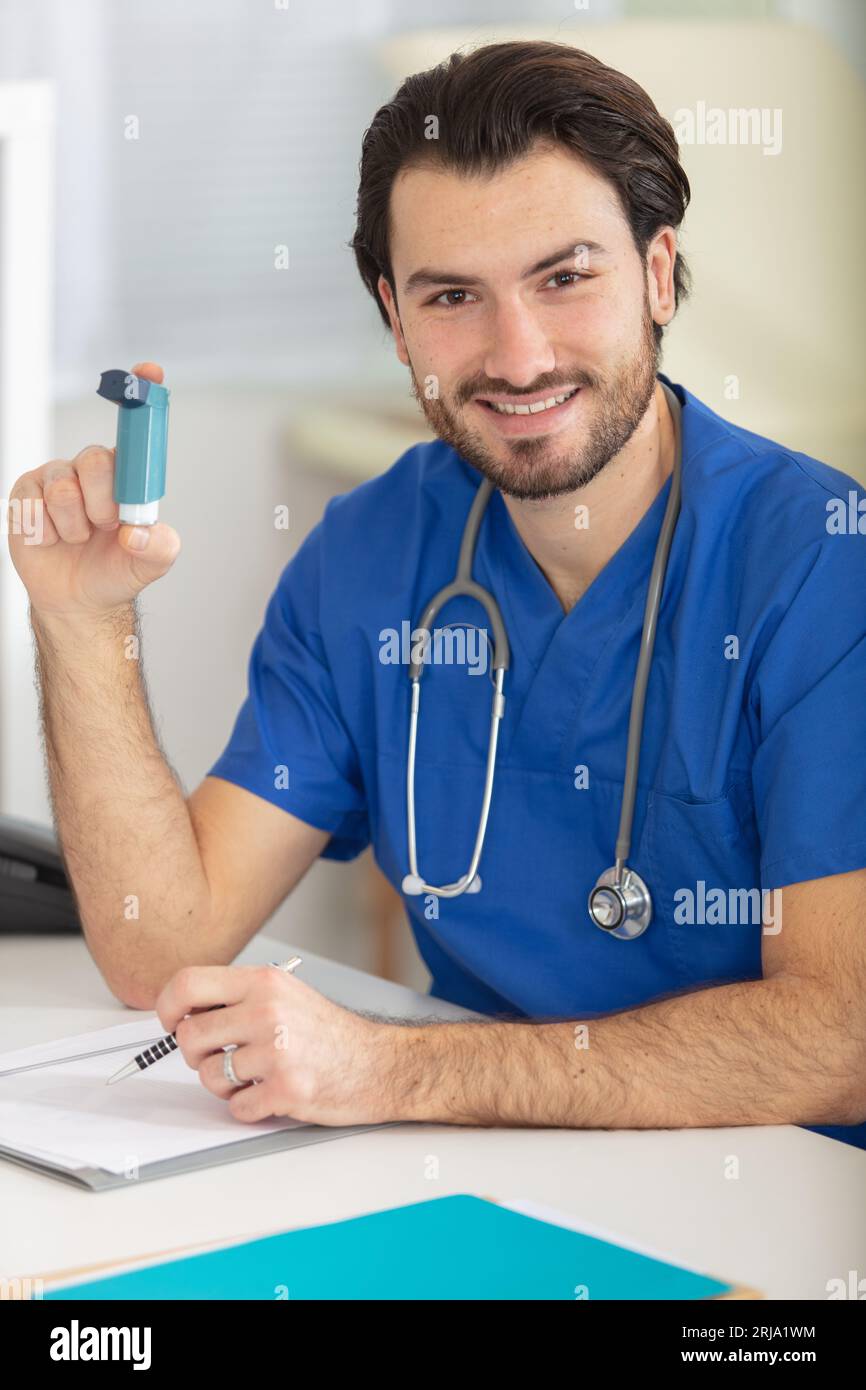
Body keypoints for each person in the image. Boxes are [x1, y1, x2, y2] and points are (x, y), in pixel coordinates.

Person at [8, 41, 866, 1148]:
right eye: (453, 296)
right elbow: (157, 947)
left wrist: (385, 1067)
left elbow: (841, 1039)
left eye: (564, 278)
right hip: (471, 1167)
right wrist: (82, 621)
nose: (518, 356)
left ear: (658, 273)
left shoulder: (819, 567)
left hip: (763, 1198)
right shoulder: (368, 555)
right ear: (394, 316)